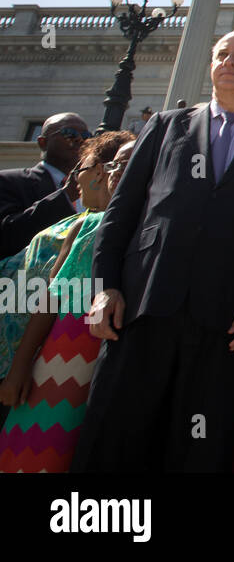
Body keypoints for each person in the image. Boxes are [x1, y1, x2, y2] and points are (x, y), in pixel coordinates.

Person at [71, 30, 234, 472]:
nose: (229, 62)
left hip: (224, 322)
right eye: (222, 54)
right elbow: (120, 216)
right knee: (114, 435)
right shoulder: (164, 127)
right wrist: (105, 289)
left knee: (196, 448)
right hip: (143, 310)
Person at [0, 132, 135, 472]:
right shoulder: (87, 226)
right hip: (64, 354)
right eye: (113, 163)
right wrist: (19, 367)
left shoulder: (154, 228)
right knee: (34, 454)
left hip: (115, 364)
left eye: (130, 163)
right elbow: (54, 300)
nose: (112, 172)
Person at [0, 113, 89, 258]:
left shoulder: (91, 187)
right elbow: (6, 235)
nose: (80, 140)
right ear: (43, 142)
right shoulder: (8, 180)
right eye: (69, 133)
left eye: (86, 135)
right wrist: (65, 196)